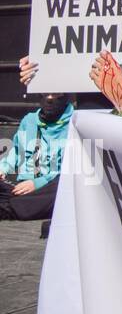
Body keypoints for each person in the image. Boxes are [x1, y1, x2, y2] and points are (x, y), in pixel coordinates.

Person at [0, 95, 73, 223]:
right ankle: (15, 204)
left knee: (65, 191)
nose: (49, 97)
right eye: (46, 92)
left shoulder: (75, 123)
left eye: (55, 93)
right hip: (20, 188)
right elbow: (17, 151)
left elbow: (68, 170)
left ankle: (11, 208)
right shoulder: (29, 120)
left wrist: (37, 183)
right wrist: (3, 168)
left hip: (48, 187)